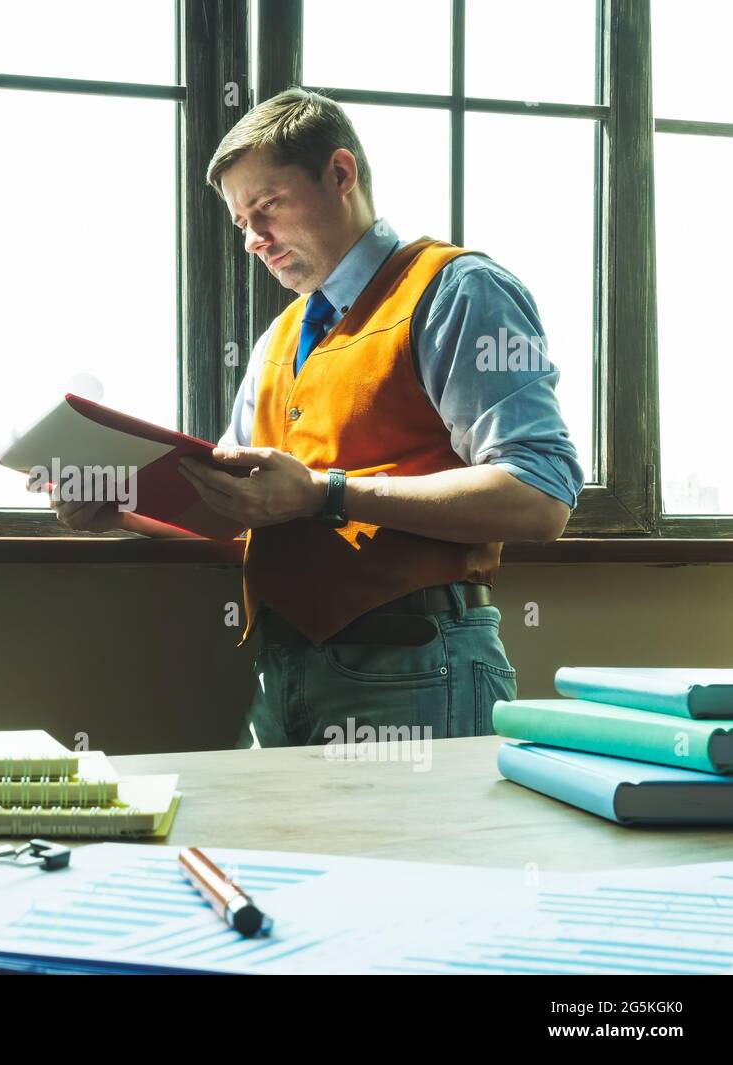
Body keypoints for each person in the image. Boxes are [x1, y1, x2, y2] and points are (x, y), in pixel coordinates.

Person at [45, 87, 584, 748]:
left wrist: (325, 491)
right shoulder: (277, 340)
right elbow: (244, 515)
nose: (252, 240)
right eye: (241, 220)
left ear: (340, 174)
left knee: (420, 859)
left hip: (419, 664)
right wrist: (120, 508)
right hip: (282, 676)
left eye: (266, 207)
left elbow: (541, 493)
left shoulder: (458, 290)